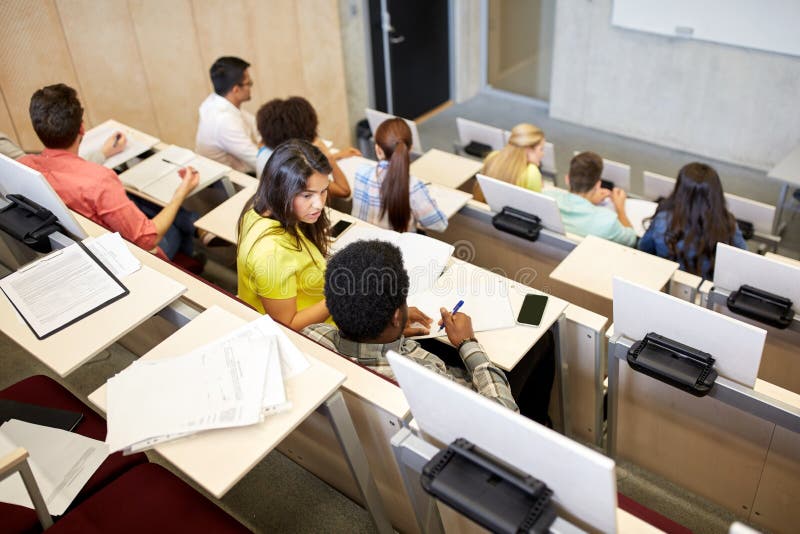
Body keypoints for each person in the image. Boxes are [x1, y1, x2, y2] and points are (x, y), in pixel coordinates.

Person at [304, 240, 557, 423]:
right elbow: (504, 419)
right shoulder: (429, 382)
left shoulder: (311, 335)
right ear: (394, 317)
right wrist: (468, 343)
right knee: (541, 340)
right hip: (469, 408)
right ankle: (539, 426)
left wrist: (392, 332)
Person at [19, 83, 200, 262]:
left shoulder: (25, 166)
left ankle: (194, 255)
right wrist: (180, 193)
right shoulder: (100, 180)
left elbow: (65, 169)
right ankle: (189, 264)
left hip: (77, 250)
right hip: (123, 258)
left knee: (139, 202)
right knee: (174, 225)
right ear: (82, 128)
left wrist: (104, 153)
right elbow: (147, 239)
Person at [237, 139, 332, 330]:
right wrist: (343, 295)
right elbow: (287, 325)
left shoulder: (259, 207)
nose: (319, 204)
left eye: (324, 191)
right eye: (307, 195)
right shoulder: (271, 253)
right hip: (314, 332)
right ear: (282, 190)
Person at [639, 162, 746, 279]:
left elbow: (644, 249)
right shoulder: (728, 226)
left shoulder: (662, 221)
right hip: (706, 291)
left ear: (680, 190)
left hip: (666, 283)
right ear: (716, 194)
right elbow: (742, 259)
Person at [351, 118, 447, 232]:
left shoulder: (361, 172)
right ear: (410, 149)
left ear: (378, 150)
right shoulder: (413, 186)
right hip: (398, 247)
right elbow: (440, 225)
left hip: (362, 243)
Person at [254, 96, 358, 197]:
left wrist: (337, 155)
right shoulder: (295, 169)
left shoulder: (263, 150)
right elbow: (344, 191)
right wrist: (329, 157)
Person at [544, 151, 637, 246]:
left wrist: (589, 201)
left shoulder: (545, 198)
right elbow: (631, 239)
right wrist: (620, 208)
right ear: (598, 185)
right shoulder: (608, 222)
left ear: (567, 179)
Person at [195, 56, 259, 174]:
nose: (251, 87)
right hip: (234, 184)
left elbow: (255, 124)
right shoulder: (224, 121)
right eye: (249, 83)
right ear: (236, 90)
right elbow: (258, 160)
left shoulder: (213, 101)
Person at [473, 123, 546, 203]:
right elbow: (537, 206)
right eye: (541, 149)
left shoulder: (492, 156)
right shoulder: (532, 172)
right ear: (528, 150)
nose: (543, 154)